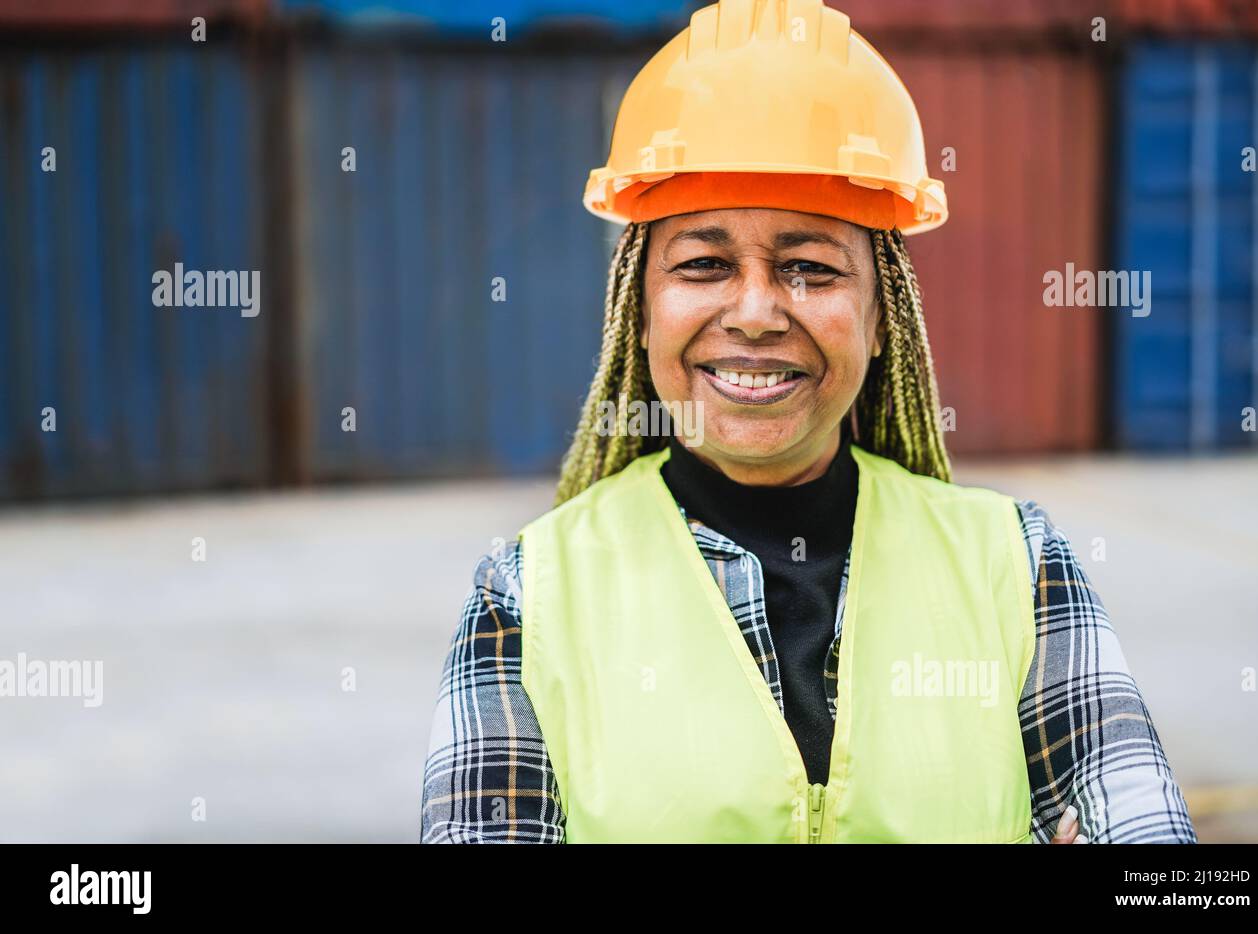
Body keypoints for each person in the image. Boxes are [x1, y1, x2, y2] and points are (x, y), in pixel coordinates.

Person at [421, 0, 1196, 843]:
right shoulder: (527, 598)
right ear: (637, 311)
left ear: (879, 317)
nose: (754, 313)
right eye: (705, 264)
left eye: (810, 268)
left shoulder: (1017, 567)